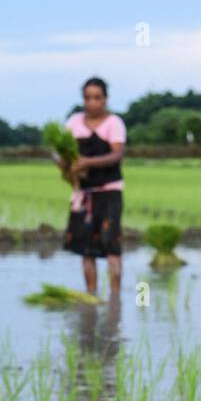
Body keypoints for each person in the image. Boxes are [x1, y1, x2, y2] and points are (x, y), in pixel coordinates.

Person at [61, 77, 127, 297]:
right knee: (86, 246)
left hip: (109, 191)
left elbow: (117, 154)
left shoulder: (114, 123)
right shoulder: (74, 122)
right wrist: (67, 166)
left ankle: (115, 298)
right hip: (84, 193)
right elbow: (61, 152)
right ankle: (91, 295)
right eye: (88, 97)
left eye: (97, 98)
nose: (92, 102)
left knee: (111, 243)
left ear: (105, 100)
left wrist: (88, 162)